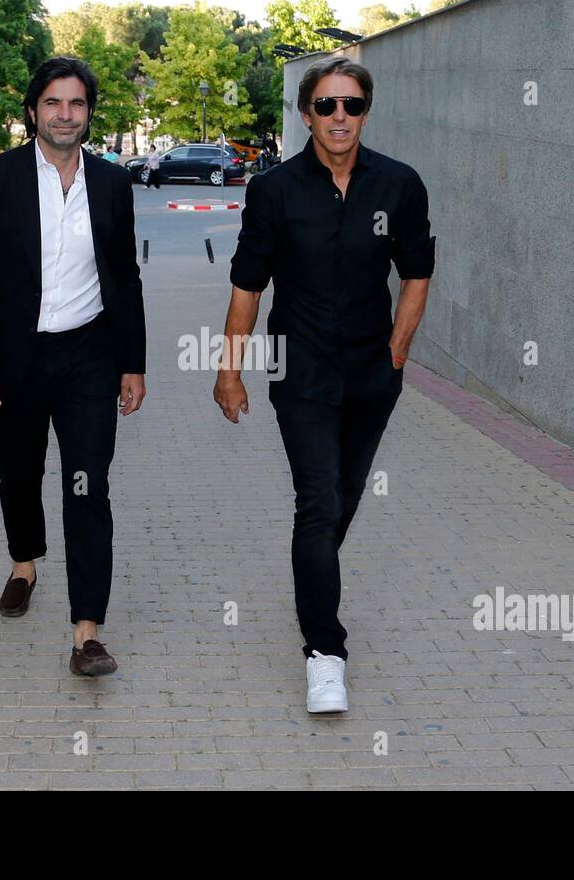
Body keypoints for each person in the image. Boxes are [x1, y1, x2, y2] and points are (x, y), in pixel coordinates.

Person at [214, 55, 434, 713]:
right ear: (307, 113)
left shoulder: (399, 185)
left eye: (353, 105)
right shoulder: (275, 191)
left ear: (365, 111)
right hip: (301, 371)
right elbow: (248, 286)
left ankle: (314, 579)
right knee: (317, 502)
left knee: (339, 503)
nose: (340, 117)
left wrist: (397, 351)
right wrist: (229, 370)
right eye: (328, 105)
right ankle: (324, 649)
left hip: (372, 373)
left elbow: (417, 272)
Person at [0, 57, 147, 678]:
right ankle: (24, 562)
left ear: (89, 112)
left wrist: (132, 363)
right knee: (19, 472)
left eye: (77, 104)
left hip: (88, 354)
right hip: (17, 358)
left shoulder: (111, 184)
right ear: (34, 110)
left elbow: (125, 277)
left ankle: (87, 631)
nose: (66, 114)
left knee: (88, 485)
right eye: (54, 103)